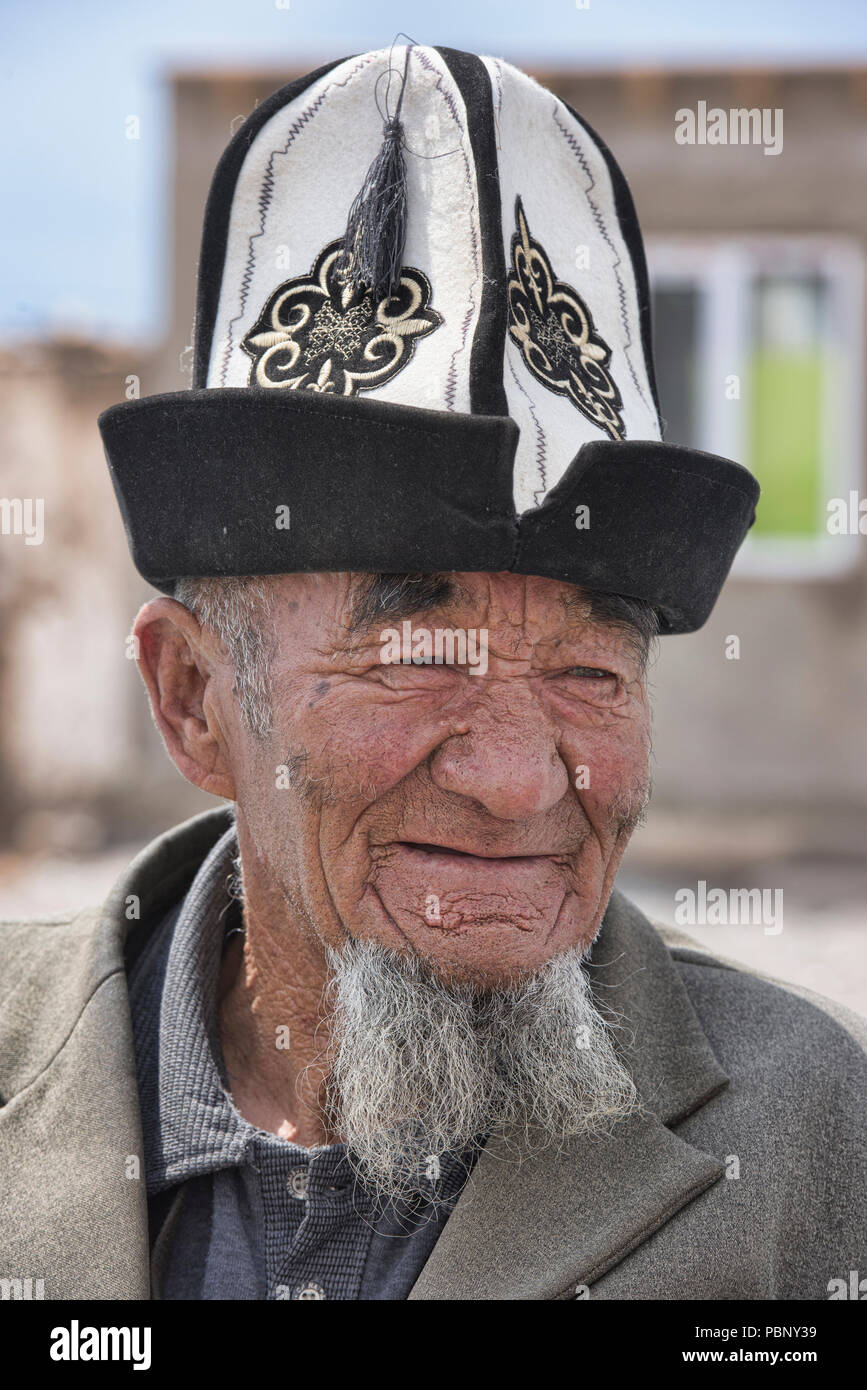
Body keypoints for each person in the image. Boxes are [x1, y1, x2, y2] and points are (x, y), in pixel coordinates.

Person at [1, 42, 862, 1301]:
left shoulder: (814, 1141)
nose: (519, 781)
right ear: (194, 701)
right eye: (411, 656)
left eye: (589, 669)